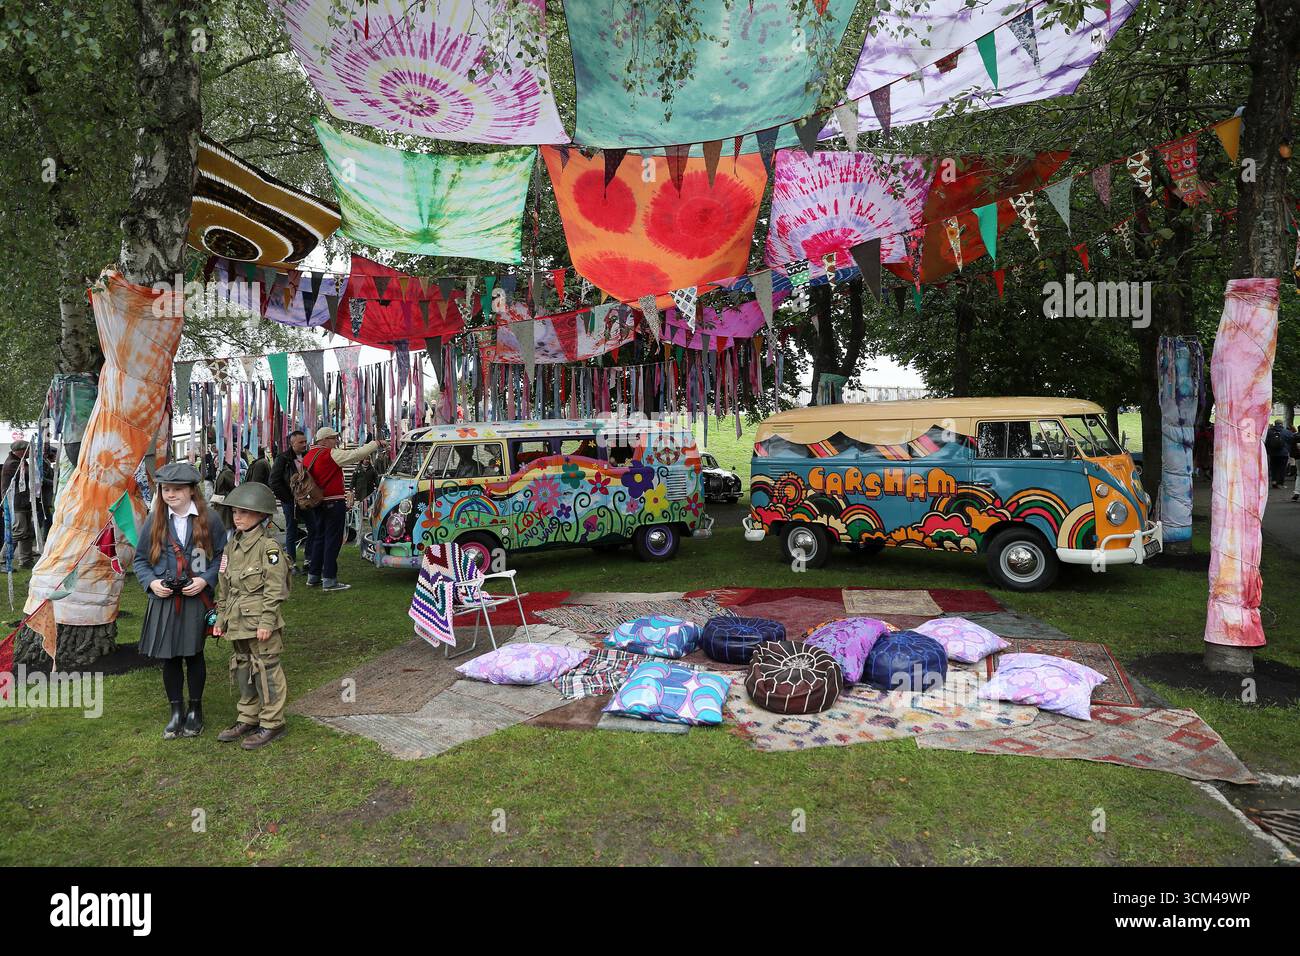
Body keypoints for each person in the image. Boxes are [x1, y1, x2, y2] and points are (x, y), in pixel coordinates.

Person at [132, 462, 227, 739]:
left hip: (196, 599)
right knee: (169, 657)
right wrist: (151, 582)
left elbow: (221, 556)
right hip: (163, 599)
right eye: (165, 490)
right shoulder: (156, 520)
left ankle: (195, 711)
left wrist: (205, 580)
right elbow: (140, 560)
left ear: (191, 490)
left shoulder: (210, 519)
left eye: (176, 489)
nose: (169, 495)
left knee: (193, 653)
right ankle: (176, 711)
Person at [212, 482, 291, 750]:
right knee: (243, 666)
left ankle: (272, 722)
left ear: (261, 515)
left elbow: (275, 588)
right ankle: (248, 717)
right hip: (237, 620)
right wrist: (221, 618)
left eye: (244, 512)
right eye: (235, 512)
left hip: (259, 622)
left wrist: (267, 622)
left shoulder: (268, 549)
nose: (238, 517)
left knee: (266, 670)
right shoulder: (232, 545)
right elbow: (224, 585)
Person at [302, 426, 379, 591]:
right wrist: (375, 444)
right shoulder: (328, 454)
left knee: (319, 538)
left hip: (317, 502)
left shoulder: (308, 456)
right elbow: (355, 455)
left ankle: (313, 576)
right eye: (332, 438)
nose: (336, 441)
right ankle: (329, 579)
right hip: (332, 502)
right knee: (332, 540)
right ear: (323, 440)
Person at [269, 431, 310, 573]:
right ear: (292, 444)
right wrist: (288, 499)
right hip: (290, 501)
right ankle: (291, 563)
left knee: (314, 527)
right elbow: (274, 481)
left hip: (307, 500)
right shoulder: (283, 459)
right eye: (301, 442)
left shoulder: (308, 455)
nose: (304, 444)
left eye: (305, 441)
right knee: (291, 531)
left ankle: (309, 559)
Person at [2, 440, 36, 569]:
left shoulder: (20, 462)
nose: (30, 452)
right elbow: (31, 475)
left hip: (22, 502)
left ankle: (26, 561)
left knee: (27, 532)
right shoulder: (13, 464)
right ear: (22, 451)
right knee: (19, 532)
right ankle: (3, 560)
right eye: (28, 450)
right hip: (15, 502)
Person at [1265, 421, 1290, 488]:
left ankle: (1274, 481)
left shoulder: (1269, 432)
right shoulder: (1286, 432)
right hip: (1283, 454)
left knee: (1273, 468)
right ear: (1281, 424)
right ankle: (1280, 483)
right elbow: (1291, 440)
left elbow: (1266, 441)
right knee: (1282, 468)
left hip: (1273, 453)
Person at [213, 458, 236, 526]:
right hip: (220, 503)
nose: (214, 463)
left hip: (225, 504)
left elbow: (233, 488)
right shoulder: (221, 472)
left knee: (227, 525)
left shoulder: (227, 472)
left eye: (216, 461)